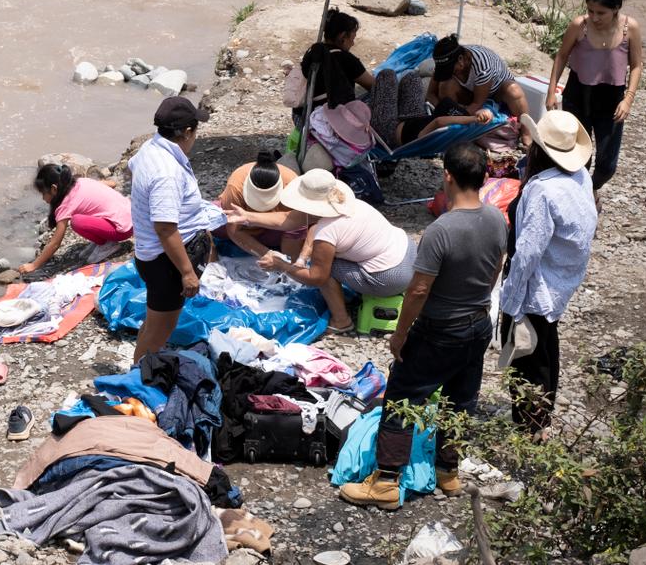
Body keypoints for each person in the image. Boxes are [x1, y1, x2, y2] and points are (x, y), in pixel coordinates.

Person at [338, 142, 508, 508]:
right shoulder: (496, 219)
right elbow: (497, 266)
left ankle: (385, 482)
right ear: (482, 177)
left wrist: (400, 335)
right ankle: (449, 473)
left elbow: (417, 290)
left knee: (402, 397)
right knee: (461, 400)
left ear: (447, 176)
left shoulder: (440, 230)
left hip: (441, 328)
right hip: (479, 324)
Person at [498, 111, 598, 437]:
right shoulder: (581, 177)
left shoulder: (541, 190)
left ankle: (535, 423)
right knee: (545, 345)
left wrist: (509, 298)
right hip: (562, 278)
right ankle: (541, 416)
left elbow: (528, 251)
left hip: (536, 284)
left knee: (527, 355)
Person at [128, 97, 228, 359]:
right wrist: (187, 273)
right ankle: (138, 382)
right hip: (167, 263)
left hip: (152, 254)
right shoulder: (166, 173)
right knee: (158, 333)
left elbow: (132, 172)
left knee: (154, 322)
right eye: (195, 131)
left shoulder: (149, 149)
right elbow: (165, 229)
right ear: (186, 132)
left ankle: (140, 368)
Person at [258, 169, 415, 333]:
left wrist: (281, 265)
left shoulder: (327, 231)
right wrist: (301, 259)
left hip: (392, 277)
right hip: (409, 254)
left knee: (324, 268)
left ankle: (341, 320)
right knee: (323, 259)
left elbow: (316, 278)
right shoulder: (352, 205)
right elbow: (314, 230)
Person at [546, 0, 642, 191]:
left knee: (607, 165)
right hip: (578, 94)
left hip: (611, 99)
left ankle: (589, 190)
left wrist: (628, 99)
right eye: (590, 11)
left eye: (601, 13)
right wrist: (551, 92)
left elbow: (636, 65)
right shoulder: (580, 26)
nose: (594, 17)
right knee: (578, 157)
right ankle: (576, 195)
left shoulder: (630, 29)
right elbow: (561, 56)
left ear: (615, 9)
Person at [18, 163, 133, 274]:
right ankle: (103, 240)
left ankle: (108, 245)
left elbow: (55, 243)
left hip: (122, 230)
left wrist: (34, 265)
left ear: (54, 189)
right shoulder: (81, 181)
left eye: (43, 193)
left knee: (76, 221)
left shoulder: (66, 204)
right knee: (87, 214)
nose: (43, 198)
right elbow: (112, 183)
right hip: (132, 215)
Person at [429, 34, 531, 142]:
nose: (450, 73)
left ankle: (526, 133)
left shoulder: (482, 65)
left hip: (497, 91)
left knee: (514, 91)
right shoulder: (444, 64)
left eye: (451, 70)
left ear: (461, 60)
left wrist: (458, 117)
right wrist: (442, 110)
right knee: (445, 85)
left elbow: (477, 104)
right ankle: (454, 128)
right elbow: (430, 94)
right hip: (470, 92)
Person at [217, 151, 305, 258]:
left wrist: (286, 263)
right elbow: (233, 230)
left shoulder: (292, 185)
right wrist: (266, 253)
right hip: (246, 228)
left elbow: (295, 223)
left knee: (300, 226)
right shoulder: (236, 186)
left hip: (275, 228)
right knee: (211, 221)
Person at [293, 9, 374, 125]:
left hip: (301, 116)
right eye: (352, 38)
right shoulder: (345, 59)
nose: (353, 43)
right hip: (329, 119)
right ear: (343, 36)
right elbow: (373, 86)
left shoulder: (313, 52)